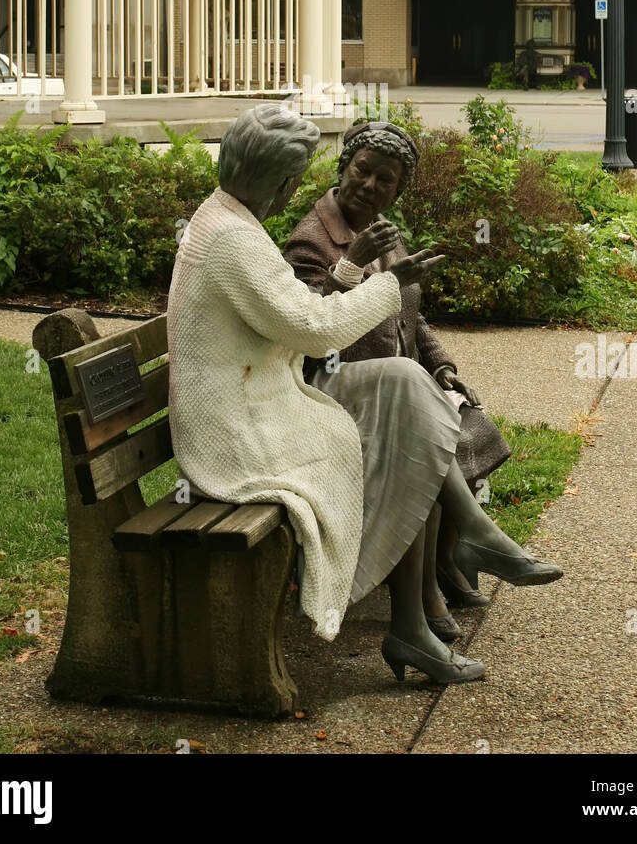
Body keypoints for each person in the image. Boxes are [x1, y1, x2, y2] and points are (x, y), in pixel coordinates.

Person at [167, 106, 557, 686]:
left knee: (405, 383)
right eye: (296, 178)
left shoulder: (228, 222)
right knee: (404, 438)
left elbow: (302, 318)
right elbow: (315, 329)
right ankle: (421, 614)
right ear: (282, 181)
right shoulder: (236, 240)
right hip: (238, 434)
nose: (298, 189)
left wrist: (424, 343)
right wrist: (386, 284)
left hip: (265, 399)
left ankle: (461, 551)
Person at [283, 120, 562, 632]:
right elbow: (309, 329)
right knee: (424, 450)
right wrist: (353, 263)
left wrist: (442, 366)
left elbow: (411, 314)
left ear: (398, 191)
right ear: (342, 168)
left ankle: (449, 563)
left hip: (398, 386)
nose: (369, 185)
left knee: (463, 424)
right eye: (362, 170)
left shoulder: (384, 233)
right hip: (337, 395)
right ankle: (434, 589)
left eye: (385, 180)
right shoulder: (311, 242)